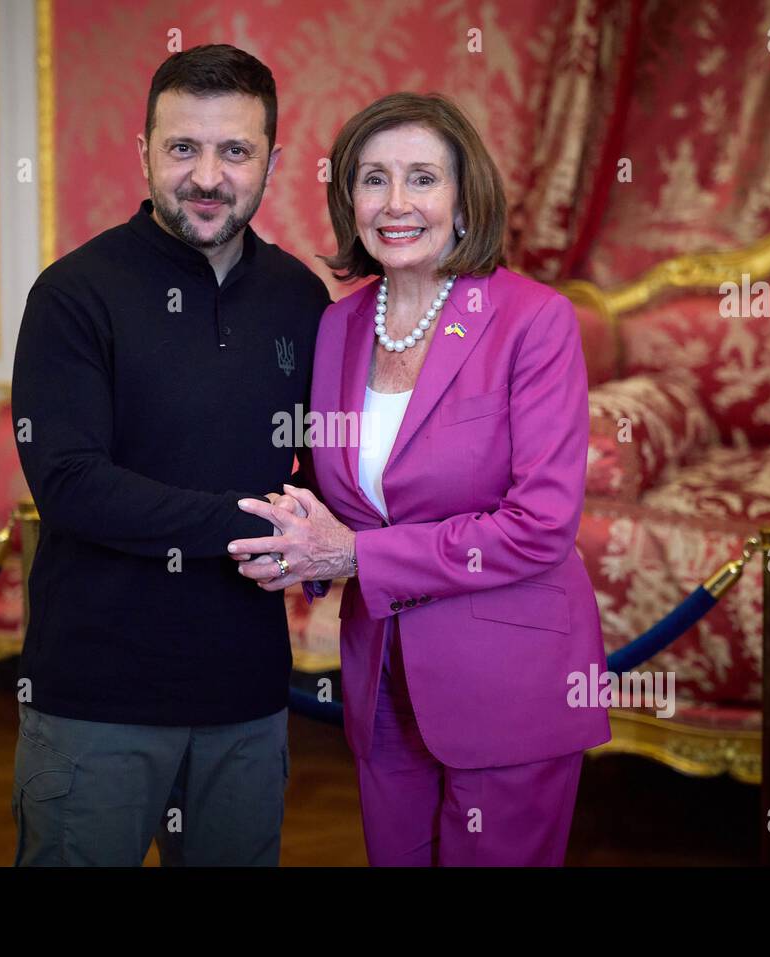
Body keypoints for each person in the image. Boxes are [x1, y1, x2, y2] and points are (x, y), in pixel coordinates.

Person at [227, 92, 611, 866]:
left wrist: (355, 557)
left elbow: (539, 525)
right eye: (374, 179)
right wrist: (292, 535)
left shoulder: (533, 322)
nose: (396, 203)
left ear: (466, 198)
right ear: (349, 199)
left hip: (509, 687)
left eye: (422, 178)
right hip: (380, 684)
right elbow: (336, 485)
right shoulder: (337, 324)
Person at [9, 44, 330, 866]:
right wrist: (257, 523)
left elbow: (323, 463)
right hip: (97, 695)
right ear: (144, 151)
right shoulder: (73, 294)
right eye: (183, 147)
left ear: (273, 161)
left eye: (235, 150)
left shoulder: (300, 296)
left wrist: (335, 543)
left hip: (248, 693)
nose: (208, 177)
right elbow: (73, 484)